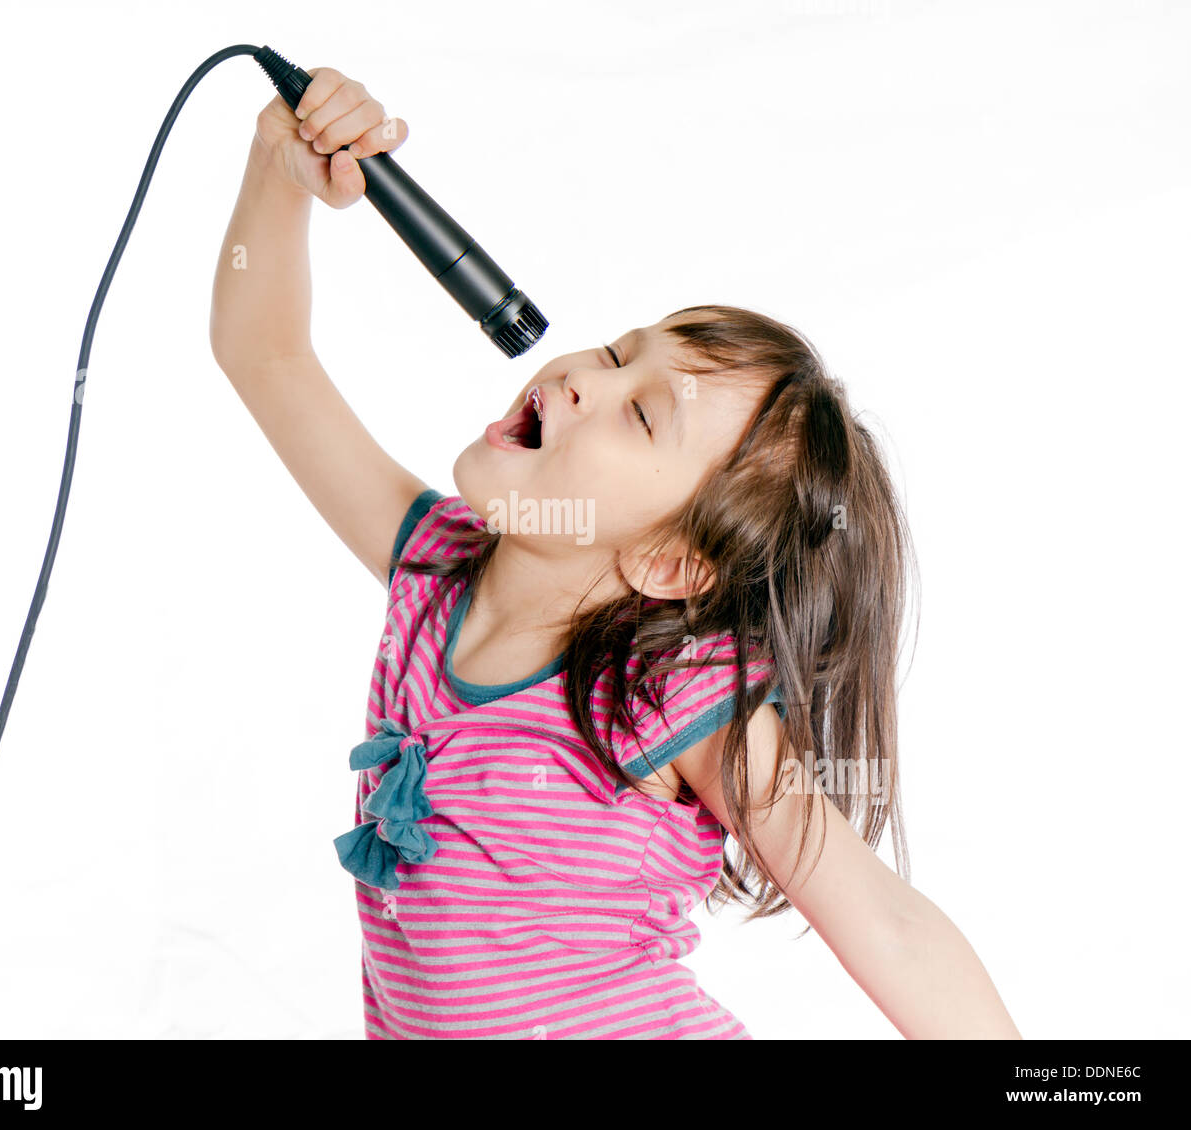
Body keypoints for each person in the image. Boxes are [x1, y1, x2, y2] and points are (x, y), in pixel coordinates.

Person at [209, 66, 1021, 1040]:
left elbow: (887, 923)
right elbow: (264, 356)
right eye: (615, 349)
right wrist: (276, 166)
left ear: (673, 566)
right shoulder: (431, 570)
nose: (584, 375)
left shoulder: (671, 695)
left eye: (639, 412)